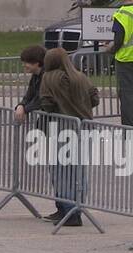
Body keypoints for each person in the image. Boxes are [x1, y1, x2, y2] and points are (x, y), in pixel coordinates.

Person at [39, 48, 100, 227]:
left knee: (61, 173)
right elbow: (95, 99)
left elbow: (47, 104)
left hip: (61, 129)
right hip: (86, 128)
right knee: (79, 171)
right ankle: (78, 208)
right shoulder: (81, 77)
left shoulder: (48, 78)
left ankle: (68, 209)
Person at [109, 0, 133, 126]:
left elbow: (118, 41)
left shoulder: (122, 13)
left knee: (127, 95)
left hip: (126, 61)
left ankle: (129, 131)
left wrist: (109, 49)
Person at [14, 45, 46, 124]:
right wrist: (21, 105)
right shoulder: (35, 75)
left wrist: (25, 109)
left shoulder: (46, 76)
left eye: (26, 62)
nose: (23, 65)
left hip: (56, 116)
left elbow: (41, 99)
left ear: (36, 63)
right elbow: (29, 94)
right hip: (46, 115)